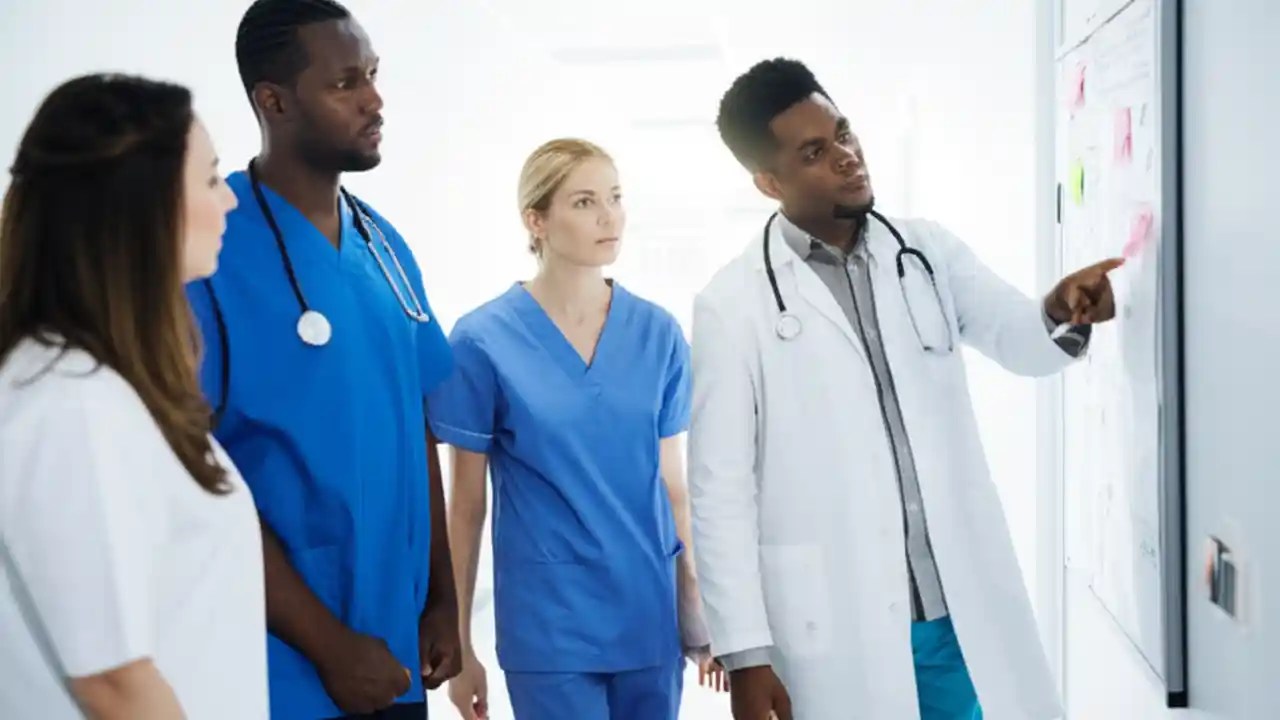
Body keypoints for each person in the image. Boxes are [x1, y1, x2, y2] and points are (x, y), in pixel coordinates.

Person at [688, 58, 1122, 720]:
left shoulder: (925, 253)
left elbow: (1020, 339)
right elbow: (719, 492)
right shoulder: (733, 304)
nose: (846, 157)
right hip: (835, 624)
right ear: (769, 181)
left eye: (843, 133)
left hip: (953, 608)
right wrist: (746, 654)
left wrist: (1062, 310)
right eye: (815, 151)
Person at [184, 1, 461, 717]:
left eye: (372, 75)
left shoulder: (386, 247)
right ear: (272, 101)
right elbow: (192, 472)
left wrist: (441, 599)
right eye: (345, 85)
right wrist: (330, 645)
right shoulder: (211, 252)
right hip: (282, 668)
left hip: (394, 659)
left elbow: (416, 427)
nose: (374, 100)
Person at [429, 138, 726, 720]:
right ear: (535, 220)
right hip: (550, 625)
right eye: (586, 201)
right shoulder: (483, 340)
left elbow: (674, 488)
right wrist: (460, 643)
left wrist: (697, 610)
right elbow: (466, 506)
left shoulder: (657, 333)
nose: (610, 216)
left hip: (647, 615)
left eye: (616, 198)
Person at [0, 74, 263, 718]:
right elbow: (114, 684)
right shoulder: (69, 404)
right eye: (209, 179)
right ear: (141, 208)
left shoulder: (104, 388)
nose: (229, 200)